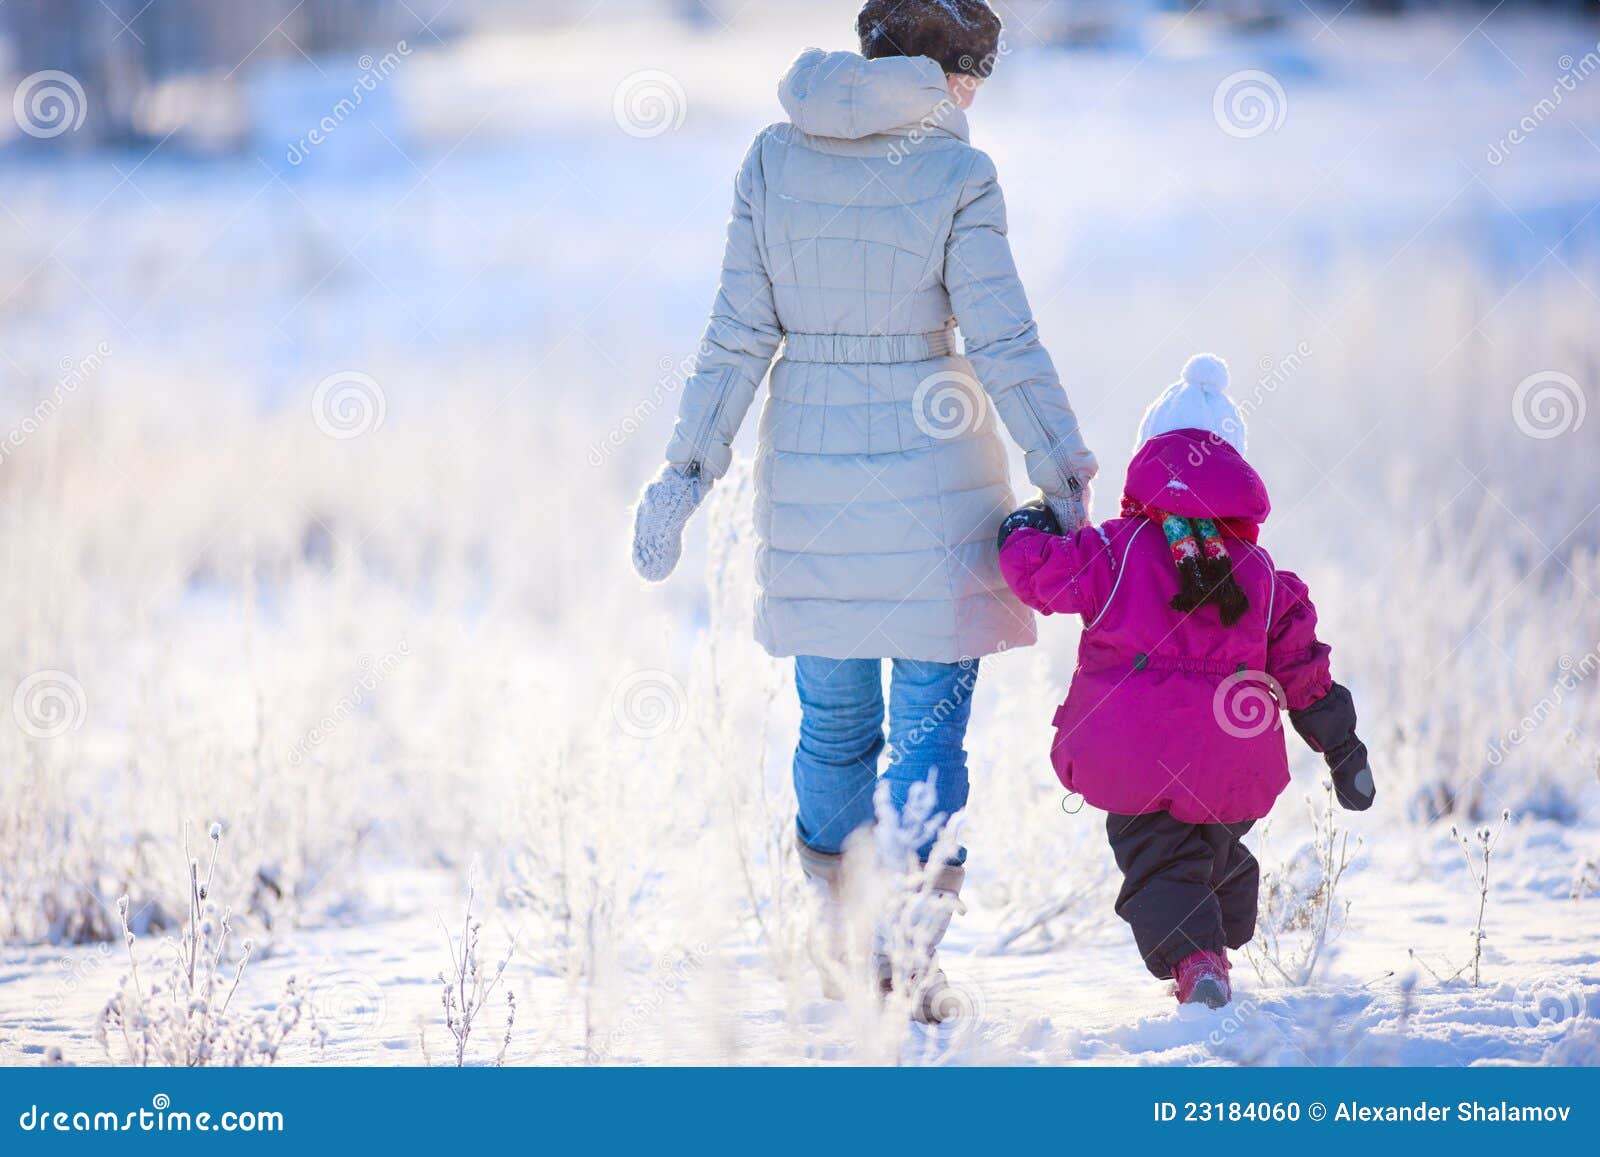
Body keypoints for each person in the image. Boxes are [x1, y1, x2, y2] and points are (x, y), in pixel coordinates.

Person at [631, 0, 1096, 1021]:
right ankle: (898, 953)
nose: (979, 91)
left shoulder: (770, 158)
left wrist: (686, 472)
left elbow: (734, 337)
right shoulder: (958, 174)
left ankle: (850, 939)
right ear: (946, 68)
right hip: (939, 484)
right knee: (927, 723)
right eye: (978, 69)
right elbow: (1005, 340)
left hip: (811, 486)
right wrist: (1060, 469)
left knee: (833, 727)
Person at [997, 354, 1374, 1009]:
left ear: (1149, 463)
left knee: (1157, 854)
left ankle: (1200, 961)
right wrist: (1344, 749)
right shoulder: (1259, 574)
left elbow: (1039, 573)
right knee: (1209, 836)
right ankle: (1220, 925)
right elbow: (1305, 672)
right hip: (1234, 762)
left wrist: (1023, 527)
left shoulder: (1113, 551)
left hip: (1135, 761)